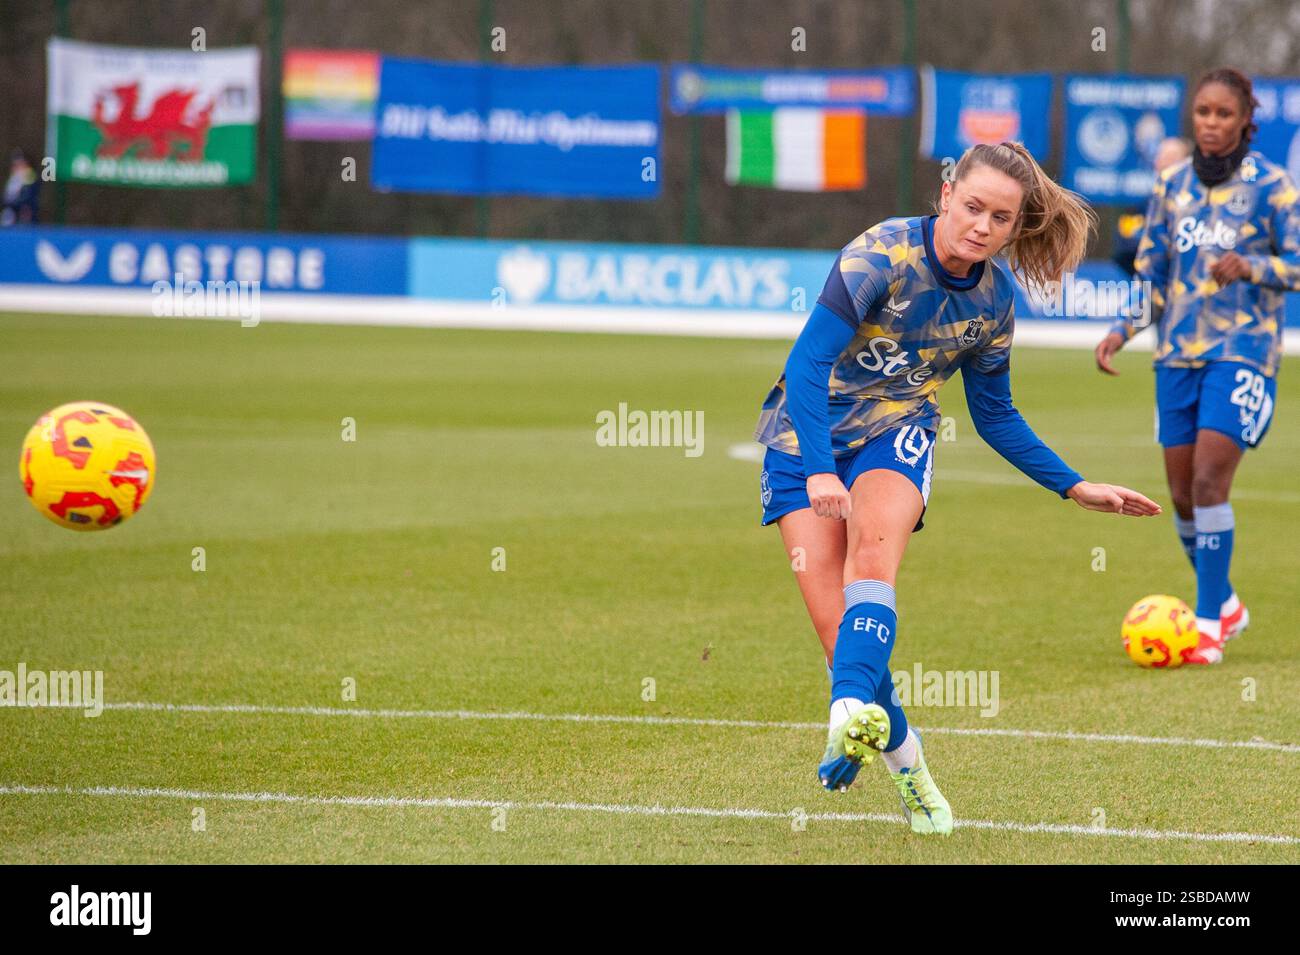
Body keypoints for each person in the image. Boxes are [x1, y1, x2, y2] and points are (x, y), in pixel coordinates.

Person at [755, 142, 1161, 836]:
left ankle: (844, 717)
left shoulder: (994, 302)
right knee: (843, 641)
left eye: (1000, 218)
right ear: (947, 196)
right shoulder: (879, 254)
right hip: (804, 438)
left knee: (872, 566)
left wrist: (1074, 485)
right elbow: (807, 361)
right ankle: (908, 767)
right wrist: (821, 468)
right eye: (973, 207)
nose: (982, 226)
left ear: (1013, 228)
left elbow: (995, 414)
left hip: (899, 434)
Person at [1095, 68, 1300, 665]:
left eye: (1223, 115)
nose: (1211, 123)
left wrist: (1253, 266)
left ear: (1244, 121)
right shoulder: (1172, 186)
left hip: (1243, 351)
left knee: (1211, 480)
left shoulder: (1274, 186)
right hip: (1175, 355)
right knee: (1183, 495)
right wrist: (1121, 327)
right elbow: (1151, 271)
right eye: (1203, 113)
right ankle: (1228, 602)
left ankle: (1208, 624)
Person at [1112, 138, 1191, 276]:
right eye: (1161, 156)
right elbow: (1123, 250)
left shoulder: (1200, 206)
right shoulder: (1138, 209)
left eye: (1172, 157)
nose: (1166, 162)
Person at [1, 149, 40, 226]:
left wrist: (12, 204)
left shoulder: (29, 175)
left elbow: (27, 196)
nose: (16, 167)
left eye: (19, 164)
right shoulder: (13, 178)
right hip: (10, 211)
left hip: (23, 213)